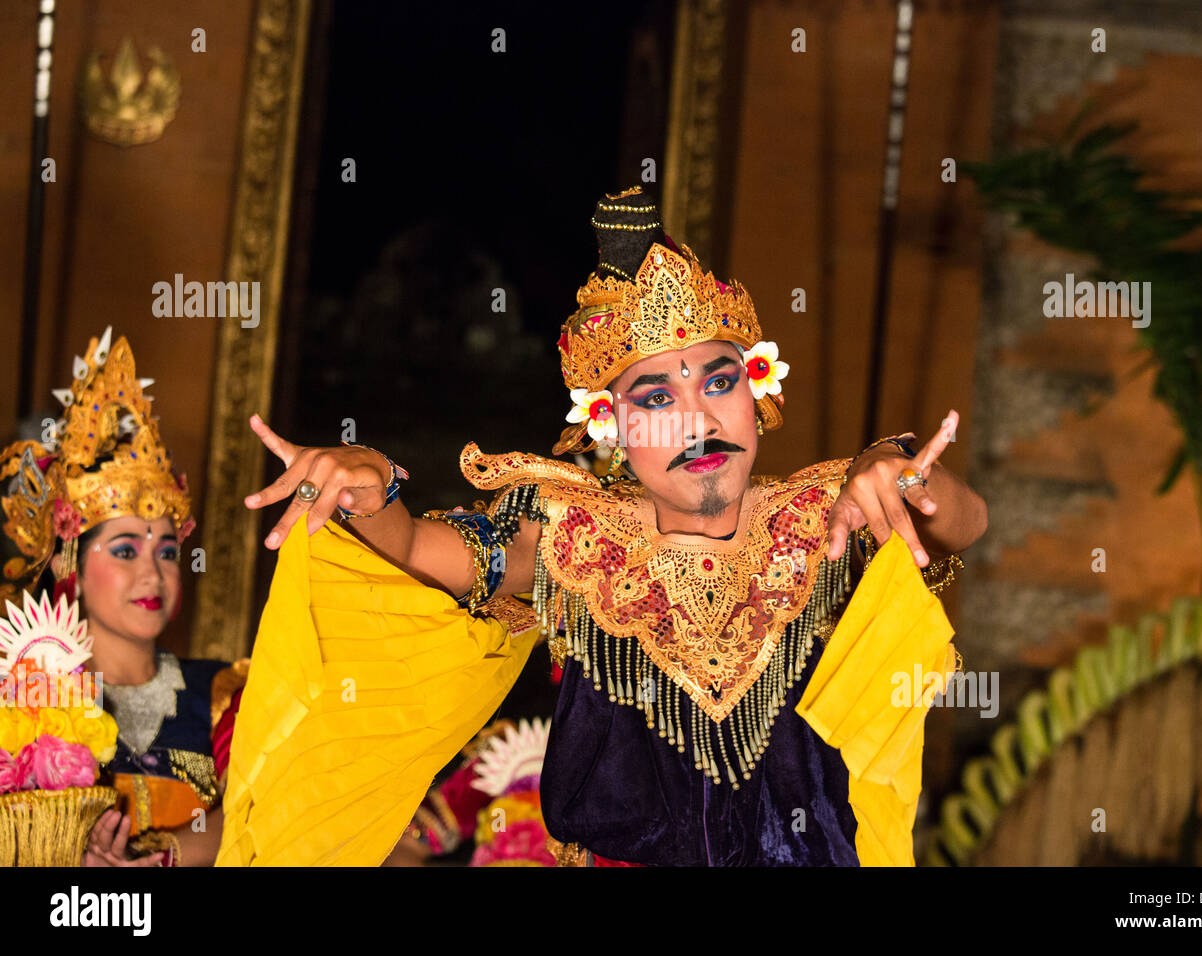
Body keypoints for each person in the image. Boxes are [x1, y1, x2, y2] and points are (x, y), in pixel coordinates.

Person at [218, 186, 988, 866]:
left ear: (758, 395)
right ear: (609, 427)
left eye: (720, 382)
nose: (697, 418)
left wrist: (896, 465)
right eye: (657, 398)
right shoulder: (576, 538)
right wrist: (369, 479)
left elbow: (964, 520)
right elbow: (419, 551)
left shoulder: (829, 519)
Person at [0, 328, 246, 866]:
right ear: (73, 566)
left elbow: (268, 811)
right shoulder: (20, 704)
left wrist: (162, 855)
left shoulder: (226, 696)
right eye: (126, 551)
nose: (152, 575)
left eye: (166, 552)